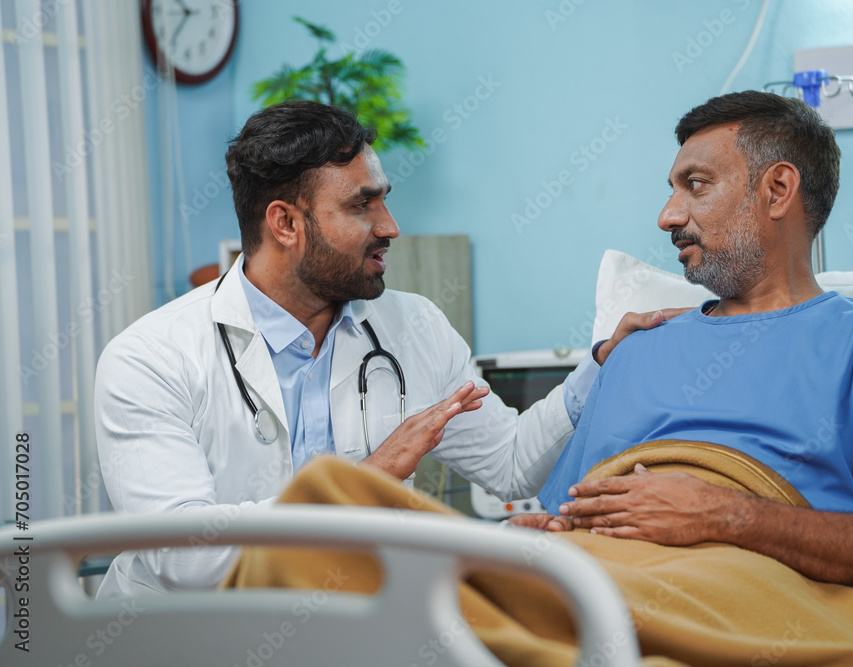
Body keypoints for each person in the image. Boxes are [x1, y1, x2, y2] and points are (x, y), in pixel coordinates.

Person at [93, 100, 673, 598]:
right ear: (285, 224)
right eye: (361, 205)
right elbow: (186, 558)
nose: (390, 226)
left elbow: (510, 462)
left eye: (384, 201)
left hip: (352, 629)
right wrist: (366, 480)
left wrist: (597, 366)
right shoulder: (151, 358)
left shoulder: (412, 326)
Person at [517, 91, 853, 595]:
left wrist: (725, 516)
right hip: (596, 598)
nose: (668, 217)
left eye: (695, 185)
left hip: (748, 609)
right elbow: (569, 514)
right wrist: (545, 538)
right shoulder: (636, 349)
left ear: (778, 189)